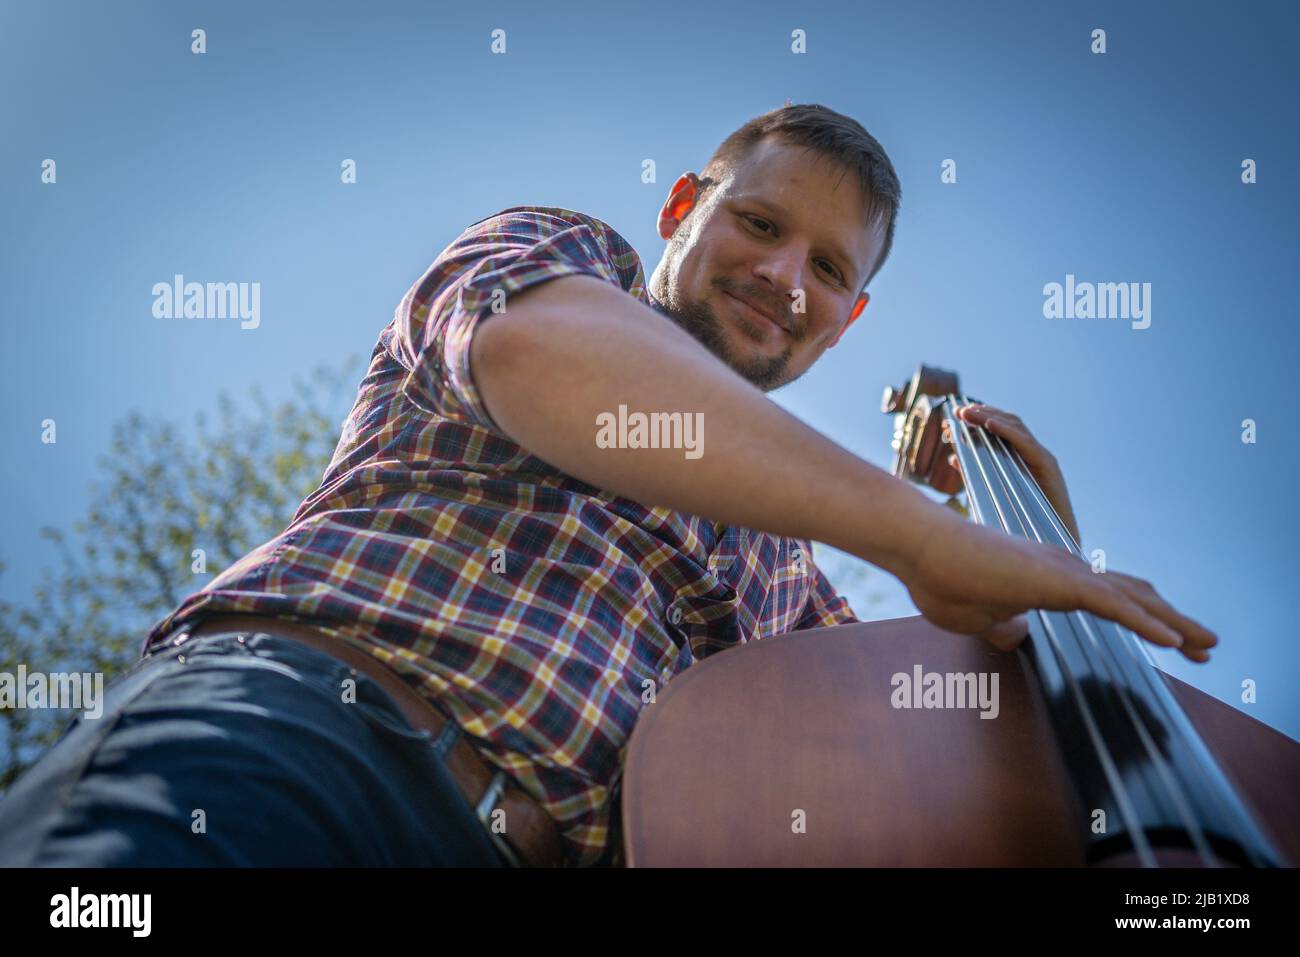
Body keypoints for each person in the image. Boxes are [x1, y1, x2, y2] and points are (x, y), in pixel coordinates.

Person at [0, 103, 1216, 869]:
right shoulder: (565, 259)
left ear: (850, 321)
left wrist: (1026, 547)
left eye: (830, 268)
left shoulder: (794, 576)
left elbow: (929, 751)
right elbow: (539, 352)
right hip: (308, 751)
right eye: (757, 222)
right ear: (684, 208)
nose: (785, 275)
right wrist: (909, 527)